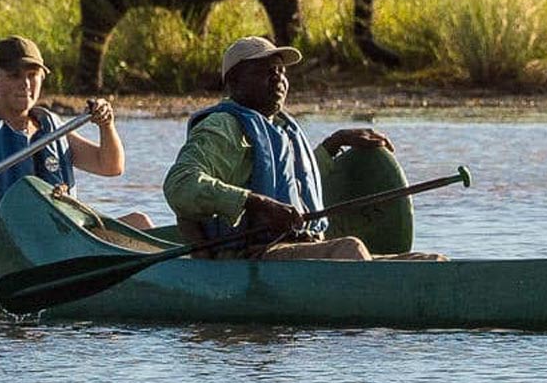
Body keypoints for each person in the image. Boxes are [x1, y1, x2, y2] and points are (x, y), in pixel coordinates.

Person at [164, 35, 431, 262]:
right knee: (350, 249)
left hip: (300, 248)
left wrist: (333, 144)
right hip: (251, 255)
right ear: (234, 82)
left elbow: (289, 181)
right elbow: (180, 184)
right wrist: (258, 204)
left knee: (430, 261)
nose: (278, 79)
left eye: (280, 72)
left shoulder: (279, 127)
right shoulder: (222, 127)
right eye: (265, 72)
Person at [0, 36, 148, 237]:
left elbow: (111, 166)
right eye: (14, 76)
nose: (26, 84)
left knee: (141, 222)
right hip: (2, 252)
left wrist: (106, 125)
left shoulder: (53, 129)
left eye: (32, 75)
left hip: (63, 242)